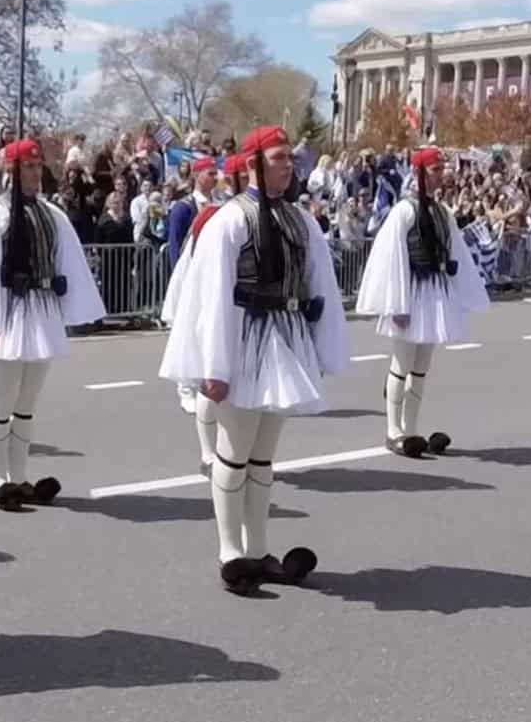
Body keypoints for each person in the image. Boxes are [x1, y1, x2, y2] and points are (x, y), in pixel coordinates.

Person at [159, 129, 345, 595]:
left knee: (263, 457)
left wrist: (319, 347)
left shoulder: (301, 221)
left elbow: (319, 284)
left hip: (283, 340)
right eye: (279, 157)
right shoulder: (229, 221)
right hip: (242, 341)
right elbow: (212, 300)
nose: (289, 165)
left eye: (289, 158)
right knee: (233, 451)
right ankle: (230, 551)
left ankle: (258, 549)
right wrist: (214, 366)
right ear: (253, 163)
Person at [0, 138, 105, 511]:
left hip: (39, 315)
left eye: (37, 165)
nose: (35, 172)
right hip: (6, 316)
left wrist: (68, 307)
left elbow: (67, 261)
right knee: (0, 406)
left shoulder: (51, 214)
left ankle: (18, 477)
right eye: (27, 167)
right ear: (11, 171)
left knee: (26, 406)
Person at [354, 147, 490, 458]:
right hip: (411, 292)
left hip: (433, 292)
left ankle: (411, 427)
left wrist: (460, 290)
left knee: (421, 367)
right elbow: (392, 258)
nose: (441, 175)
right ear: (420, 173)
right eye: (435, 169)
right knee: (402, 363)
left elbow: (456, 252)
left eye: (441, 169)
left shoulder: (442, 212)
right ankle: (393, 429)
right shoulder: (404, 211)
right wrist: (397, 303)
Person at [161, 153, 245, 472]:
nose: (214, 178)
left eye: (216, 174)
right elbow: (178, 246)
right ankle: (187, 393)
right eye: (209, 173)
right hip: (197, 282)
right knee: (200, 354)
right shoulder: (187, 208)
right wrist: (180, 280)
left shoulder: (225, 207)